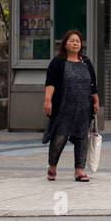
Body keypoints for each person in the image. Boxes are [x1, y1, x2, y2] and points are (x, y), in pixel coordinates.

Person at [42, 30, 99, 182]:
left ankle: (79, 170)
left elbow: (92, 84)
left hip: (83, 108)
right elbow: (51, 83)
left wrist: (96, 100)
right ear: (65, 44)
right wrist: (48, 100)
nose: (75, 43)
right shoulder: (58, 62)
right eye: (72, 41)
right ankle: (52, 166)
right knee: (59, 137)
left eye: (78, 41)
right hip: (63, 107)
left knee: (82, 138)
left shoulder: (86, 62)